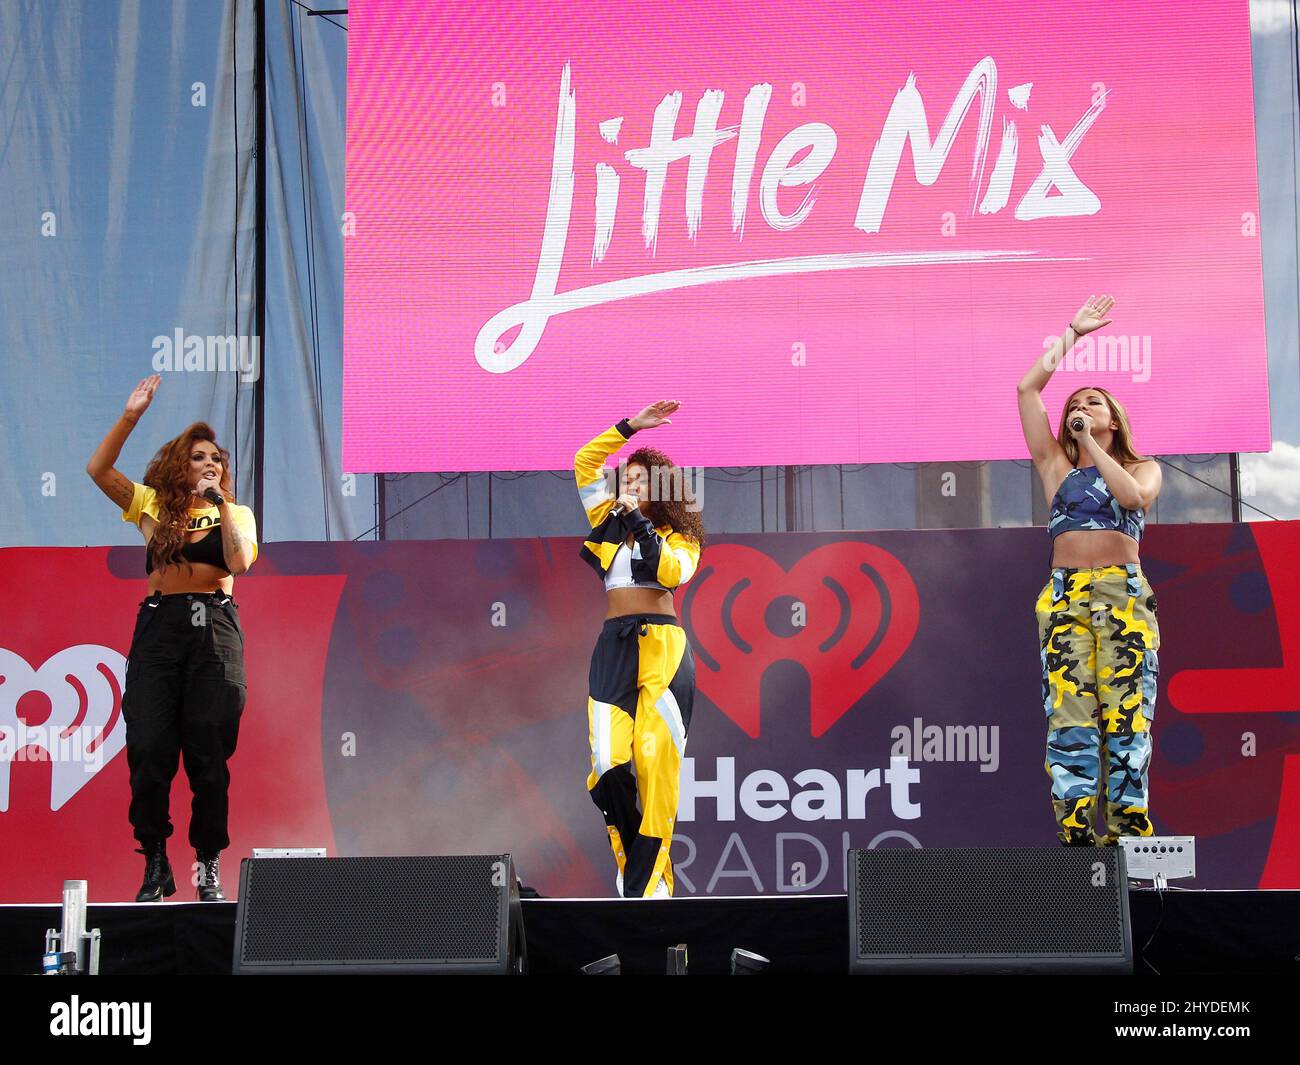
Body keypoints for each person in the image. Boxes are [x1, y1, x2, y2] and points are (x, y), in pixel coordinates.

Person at [86, 375, 258, 900]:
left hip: (215, 634)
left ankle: (207, 862)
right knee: (150, 747)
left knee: (209, 756)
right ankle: (155, 860)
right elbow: (98, 470)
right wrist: (131, 414)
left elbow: (240, 562)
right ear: (180, 465)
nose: (211, 464)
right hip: (160, 631)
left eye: (217, 459)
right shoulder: (152, 506)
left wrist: (221, 503)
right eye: (199, 457)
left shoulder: (237, 513)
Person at [1017, 296, 1162, 846]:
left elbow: (1133, 499)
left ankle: (1128, 837)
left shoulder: (1139, 467)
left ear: (1112, 419)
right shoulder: (1055, 468)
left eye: (1093, 402)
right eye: (1075, 403)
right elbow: (1027, 390)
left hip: (1122, 596)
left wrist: (1092, 448)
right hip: (1066, 596)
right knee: (1070, 717)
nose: (1081, 406)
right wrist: (1072, 334)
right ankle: (1077, 841)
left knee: (1126, 718)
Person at [574, 400, 705, 897]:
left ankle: (649, 889)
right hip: (614, 647)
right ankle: (638, 871)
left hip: (665, 652)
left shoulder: (681, 535)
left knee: (656, 770)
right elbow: (585, 460)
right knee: (607, 765)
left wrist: (640, 524)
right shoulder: (606, 518)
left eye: (640, 481)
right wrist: (629, 427)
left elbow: (670, 572)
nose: (628, 487)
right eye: (625, 480)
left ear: (663, 489)